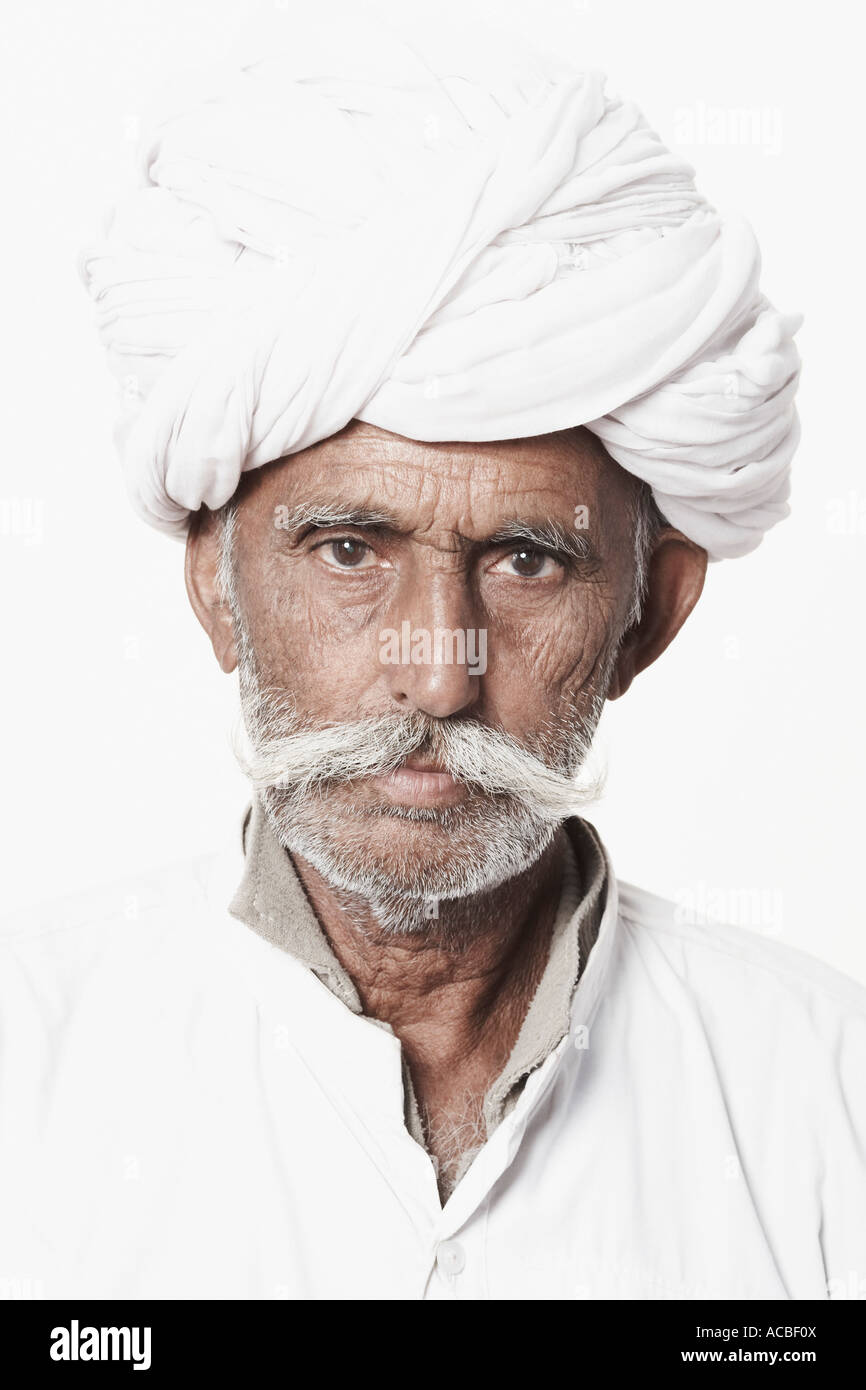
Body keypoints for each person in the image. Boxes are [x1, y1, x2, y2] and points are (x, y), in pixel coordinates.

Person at [2, 3, 863, 1300]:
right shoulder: (32, 1064)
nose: (438, 669)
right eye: (349, 548)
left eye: (527, 558)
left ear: (650, 612)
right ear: (215, 589)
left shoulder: (824, 1093)